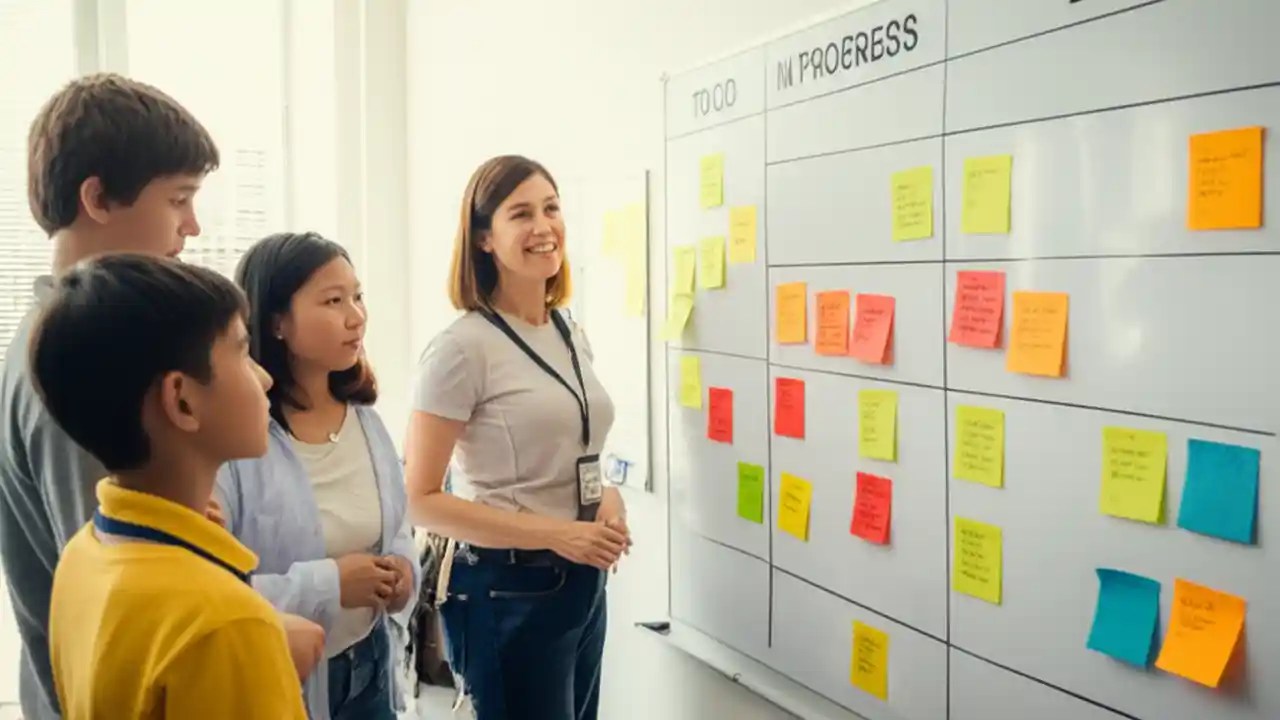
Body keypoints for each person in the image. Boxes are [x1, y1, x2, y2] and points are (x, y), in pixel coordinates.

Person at [0, 73, 228, 720]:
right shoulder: (74, 362)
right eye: (178, 199)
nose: (193, 227)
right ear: (98, 198)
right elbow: (123, 581)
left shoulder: (57, 341)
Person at [29, 254, 311, 718]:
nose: (264, 377)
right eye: (242, 352)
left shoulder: (85, 553)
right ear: (181, 400)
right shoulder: (226, 623)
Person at [404, 155, 632, 720]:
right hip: (506, 589)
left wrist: (606, 497)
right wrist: (559, 533)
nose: (543, 226)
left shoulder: (566, 328)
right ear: (483, 238)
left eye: (551, 208)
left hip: (580, 579)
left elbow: (567, 453)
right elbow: (419, 499)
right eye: (521, 213)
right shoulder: (462, 348)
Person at [217, 231, 419, 720]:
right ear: (278, 322)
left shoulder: (366, 421)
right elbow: (215, 592)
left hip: (370, 664)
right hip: (285, 674)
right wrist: (329, 585)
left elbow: (398, 528)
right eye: (333, 300)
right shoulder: (238, 438)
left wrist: (402, 573)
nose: (356, 316)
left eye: (357, 296)